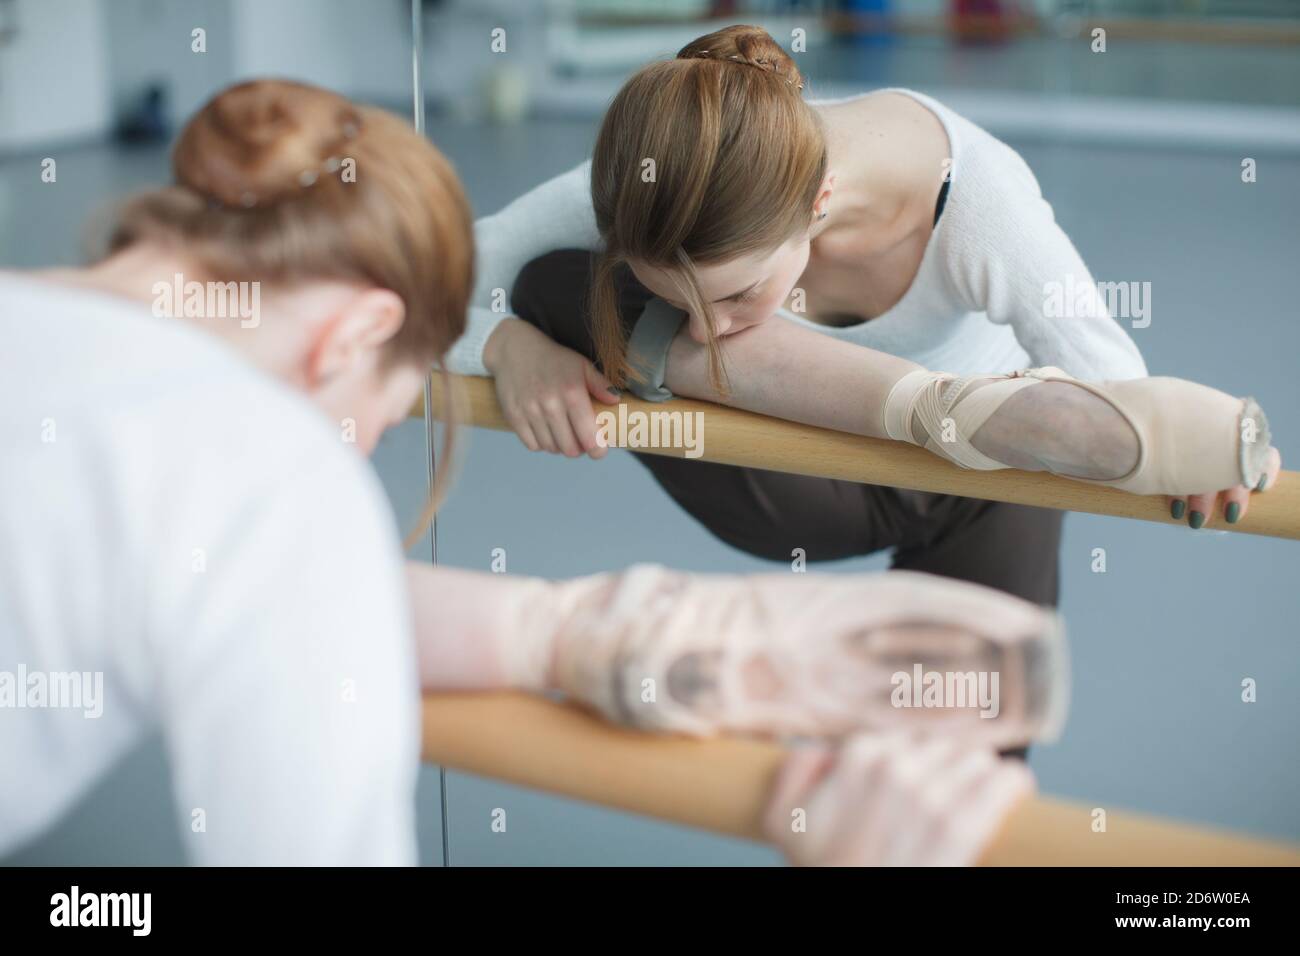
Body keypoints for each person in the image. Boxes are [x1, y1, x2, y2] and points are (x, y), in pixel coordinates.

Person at [0, 78, 1045, 867]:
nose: (354, 447)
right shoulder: (271, 477)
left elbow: (214, 577)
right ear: (356, 334)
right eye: (382, 413)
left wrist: (562, 630)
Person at [453, 25, 1281, 628]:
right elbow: (435, 281)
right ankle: (940, 406)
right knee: (558, 280)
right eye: (688, 304)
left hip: (984, 489)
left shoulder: (985, 203)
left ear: (819, 202)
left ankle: (967, 413)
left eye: (737, 294)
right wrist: (507, 343)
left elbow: (1118, 388)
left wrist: (1211, 458)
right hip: (798, 480)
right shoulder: (673, 171)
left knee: (967, 750)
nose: (704, 333)